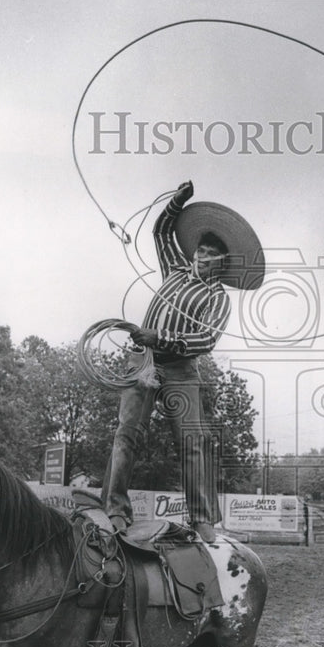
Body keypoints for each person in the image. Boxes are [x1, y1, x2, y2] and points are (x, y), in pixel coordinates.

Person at [102, 179, 256, 544]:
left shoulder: (217, 298)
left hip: (181, 368)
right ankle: (115, 510)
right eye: (200, 251)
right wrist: (176, 202)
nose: (202, 258)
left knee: (193, 440)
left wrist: (161, 337)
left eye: (210, 255)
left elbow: (204, 340)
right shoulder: (174, 270)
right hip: (142, 360)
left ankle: (203, 519)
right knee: (127, 433)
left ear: (222, 263)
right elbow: (160, 233)